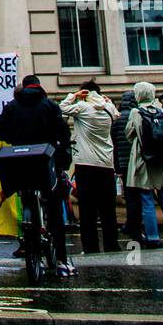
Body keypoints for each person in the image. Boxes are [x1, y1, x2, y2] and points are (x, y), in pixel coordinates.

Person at [0, 74, 74, 275]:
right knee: (54, 209)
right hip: (44, 162)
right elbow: (64, 134)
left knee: (24, 195)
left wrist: (16, 138)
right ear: (39, 87)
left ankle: (27, 239)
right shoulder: (49, 106)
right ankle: (62, 261)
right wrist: (62, 154)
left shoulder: (12, 106)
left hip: (20, 161)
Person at [60, 79, 120, 255]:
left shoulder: (82, 108)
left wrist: (74, 96)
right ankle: (111, 244)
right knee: (108, 208)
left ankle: (90, 246)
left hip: (86, 164)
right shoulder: (108, 109)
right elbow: (117, 115)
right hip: (106, 164)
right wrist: (107, 101)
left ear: (84, 93)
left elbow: (61, 108)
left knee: (87, 209)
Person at [124, 81, 163, 248]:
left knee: (147, 199)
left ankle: (153, 237)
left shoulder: (136, 112)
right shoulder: (162, 111)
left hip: (144, 160)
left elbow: (129, 134)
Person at [111, 89, 141, 240]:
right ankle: (138, 225)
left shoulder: (117, 118)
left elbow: (114, 144)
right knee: (140, 195)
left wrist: (116, 166)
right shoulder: (138, 115)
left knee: (130, 196)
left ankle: (131, 223)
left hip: (123, 162)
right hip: (138, 161)